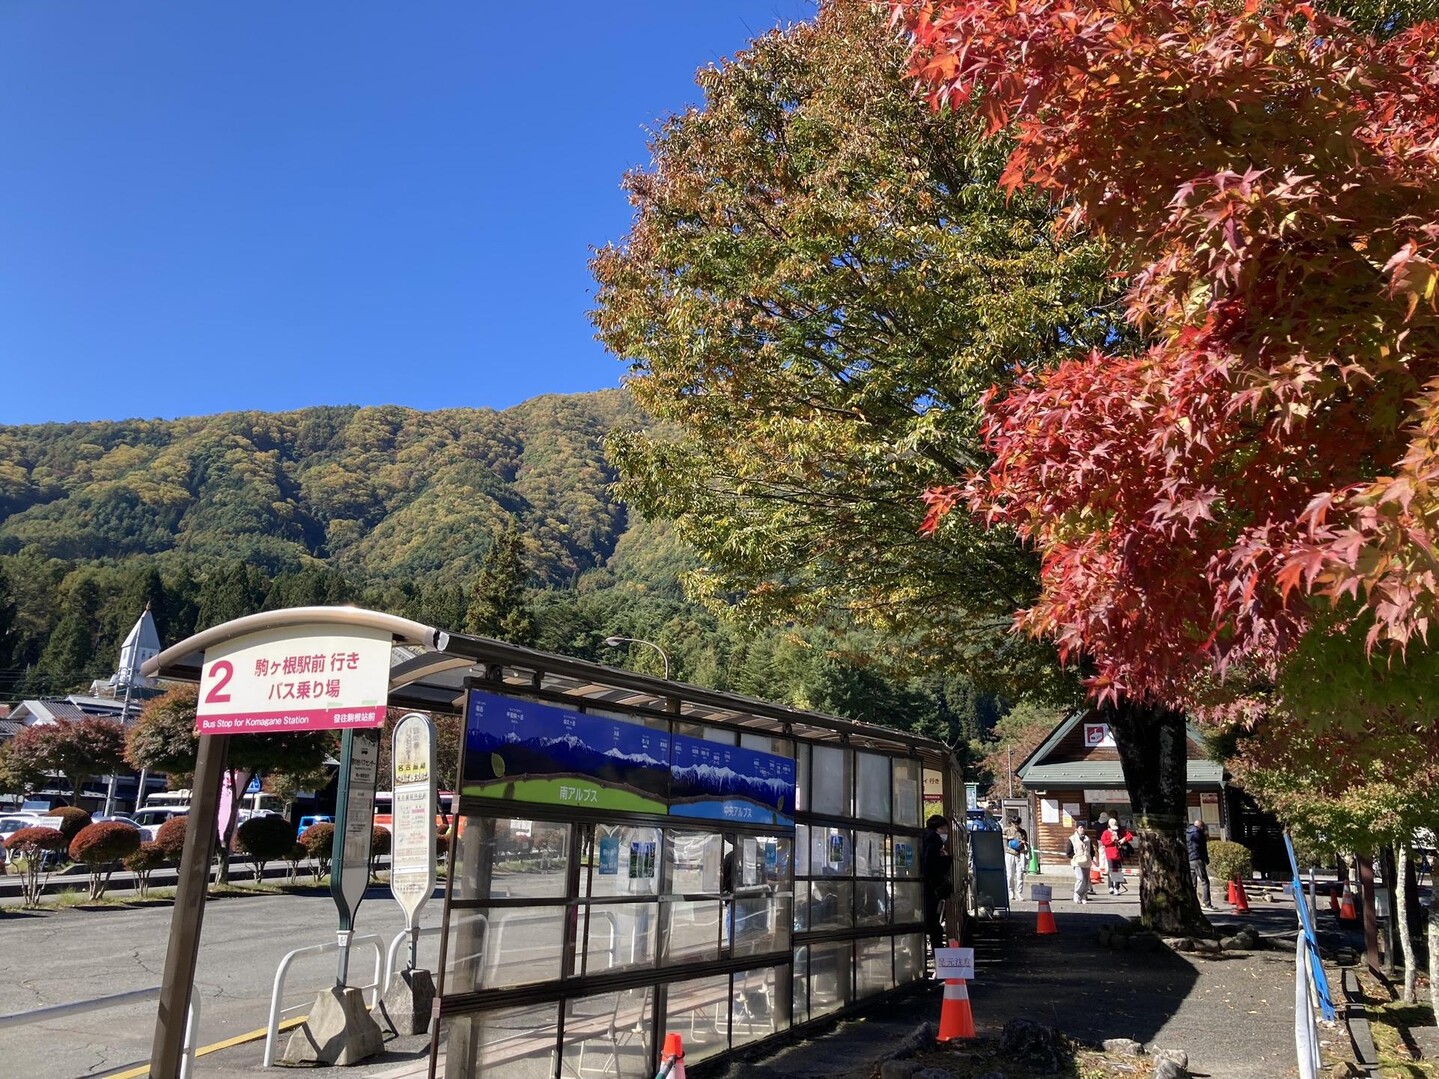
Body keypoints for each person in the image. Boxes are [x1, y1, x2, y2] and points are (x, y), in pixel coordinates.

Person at [920, 814, 953, 952]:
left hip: (922, 887)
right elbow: (932, 867)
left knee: (932, 922)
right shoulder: (934, 843)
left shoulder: (924, 839)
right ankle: (938, 954)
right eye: (945, 829)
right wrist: (947, 860)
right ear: (939, 829)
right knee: (934, 924)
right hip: (930, 888)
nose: (946, 833)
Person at [1099, 817, 1135, 894]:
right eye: (1113, 829)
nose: (1114, 830)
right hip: (1110, 854)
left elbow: (1130, 836)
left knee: (1118, 871)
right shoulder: (1106, 833)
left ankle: (1117, 887)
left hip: (1118, 853)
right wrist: (1111, 840)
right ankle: (1110, 886)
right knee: (1111, 870)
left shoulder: (1119, 831)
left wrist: (1123, 839)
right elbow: (1104, 842)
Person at [1187, 818, 1214, 909]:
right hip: (1197, 859)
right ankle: (1206, 903)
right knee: (1205, 881)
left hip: (1189, 859)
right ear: (1201, 826)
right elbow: (1202, 848)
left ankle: (1192, 903)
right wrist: (1206, 860)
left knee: (1192, 883)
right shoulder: (1199, 834)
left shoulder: (1187, 833)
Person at [1066, 821, 1094, 904]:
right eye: (1081, 827)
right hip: (1077, 862)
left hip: (1087, 861)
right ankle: (1077, 894)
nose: (1082, 829)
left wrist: (1091, 857)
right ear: (1077, 829)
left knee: (1086, 879)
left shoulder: (1087, 839)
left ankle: (1084, 896)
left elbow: (1091, 850)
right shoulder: (1072, 838)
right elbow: (1068, 851)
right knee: (1080, 878)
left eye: (1083, 827)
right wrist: (1074, 856)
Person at [1003, 816, 1030, 901]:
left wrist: (1024, 842)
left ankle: (1019, 893)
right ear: (1012, 823)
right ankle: (1011, 893)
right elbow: (1000, 835)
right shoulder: (1007, 830)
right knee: (1010, 875)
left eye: (1018, 824)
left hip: (1020, 854)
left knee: (1020, 875)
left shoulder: (1022, 832)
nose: (1017, 826)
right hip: (1010, 853)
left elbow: (1026, 842)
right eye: (1015, 824)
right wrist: (1008, 837)